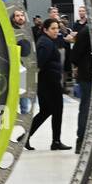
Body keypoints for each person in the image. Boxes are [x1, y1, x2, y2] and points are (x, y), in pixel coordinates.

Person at [24, 19, 70, 150]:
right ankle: (56, 141)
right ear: (45, 29)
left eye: (57, 28)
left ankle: (25, 137)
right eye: (53, 28)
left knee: (46, 111)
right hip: (50, 83)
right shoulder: (46, 43)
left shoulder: (46, 41)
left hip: (46, 83)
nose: (56, 31)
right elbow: (39, 63)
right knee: (57, 111)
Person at [70, 6, 92, 152]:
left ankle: (81, 141)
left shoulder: (85, 32)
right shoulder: (89, 31)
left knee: (85, 106)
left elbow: (75, 55)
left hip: (86, 74)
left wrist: (78, 66)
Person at [11, 7, 36, 115]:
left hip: (25, 68)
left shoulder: (27, 31)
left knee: (23, 95)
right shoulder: (12, 32)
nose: (20, 17)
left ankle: (23, 114)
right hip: (16, 67)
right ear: (13, 19)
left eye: (22, 15)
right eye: (17, 16)